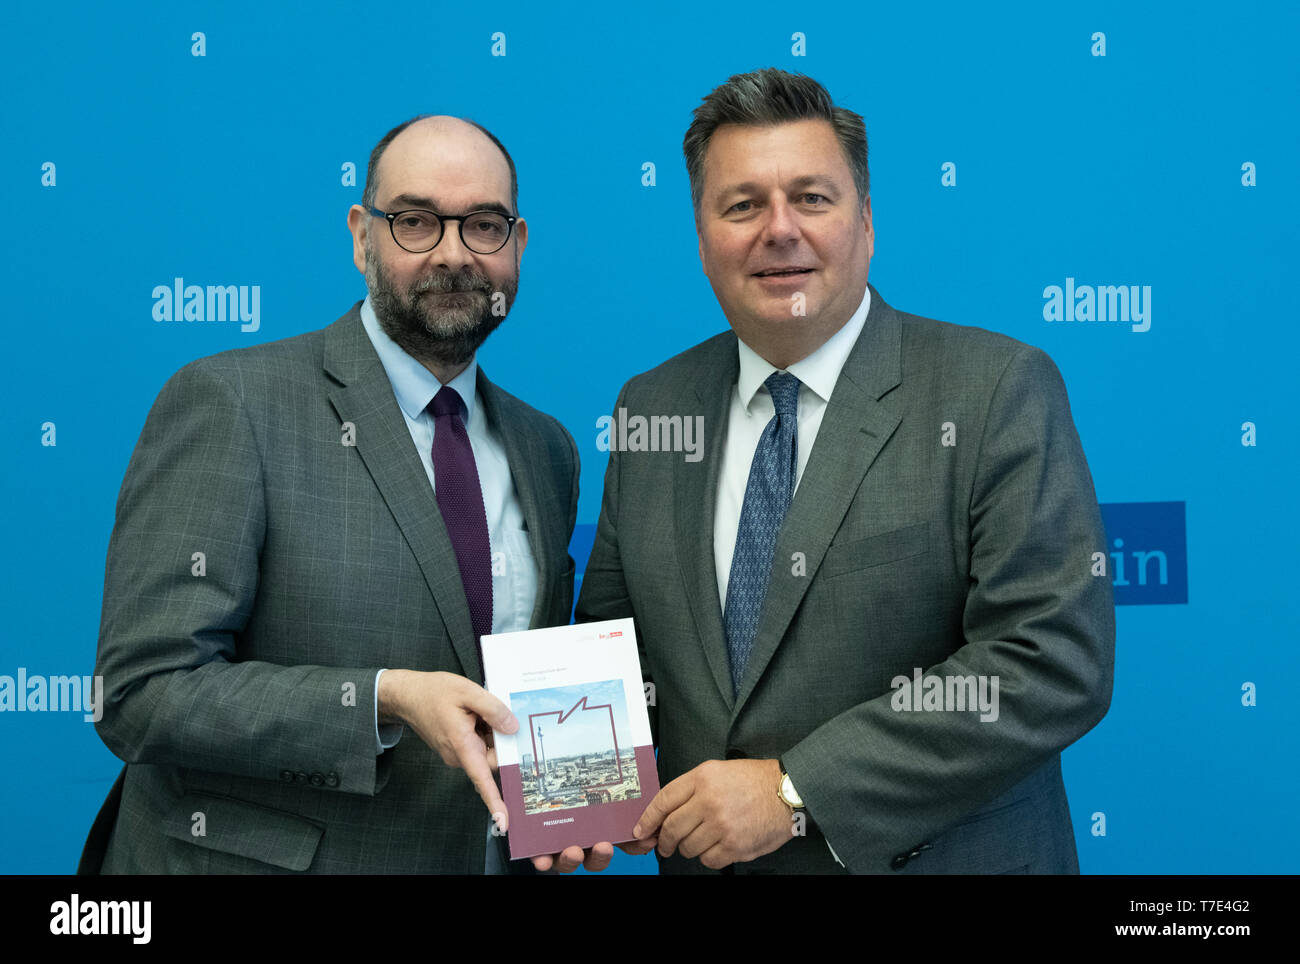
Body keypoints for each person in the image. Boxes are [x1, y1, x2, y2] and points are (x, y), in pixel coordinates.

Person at [576, 69, 1116, 874]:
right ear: (702, 236)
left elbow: (1050, 659)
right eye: (742, 205)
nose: (779, 229)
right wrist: (580, 795)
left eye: (812, 198)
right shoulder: (653, 405)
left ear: (866, 223)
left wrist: (797, 789)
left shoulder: (994, 388)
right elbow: (610, 656)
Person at [79, 115, 609, 874]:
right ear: (363, 236)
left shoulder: (546, 447)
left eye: (484, 226)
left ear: (518, 245)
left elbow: (531, 683)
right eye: (417, 222)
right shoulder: (232, 402)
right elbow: (142, 693)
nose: (454, 253)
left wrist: (568, 802)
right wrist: (383, 699)